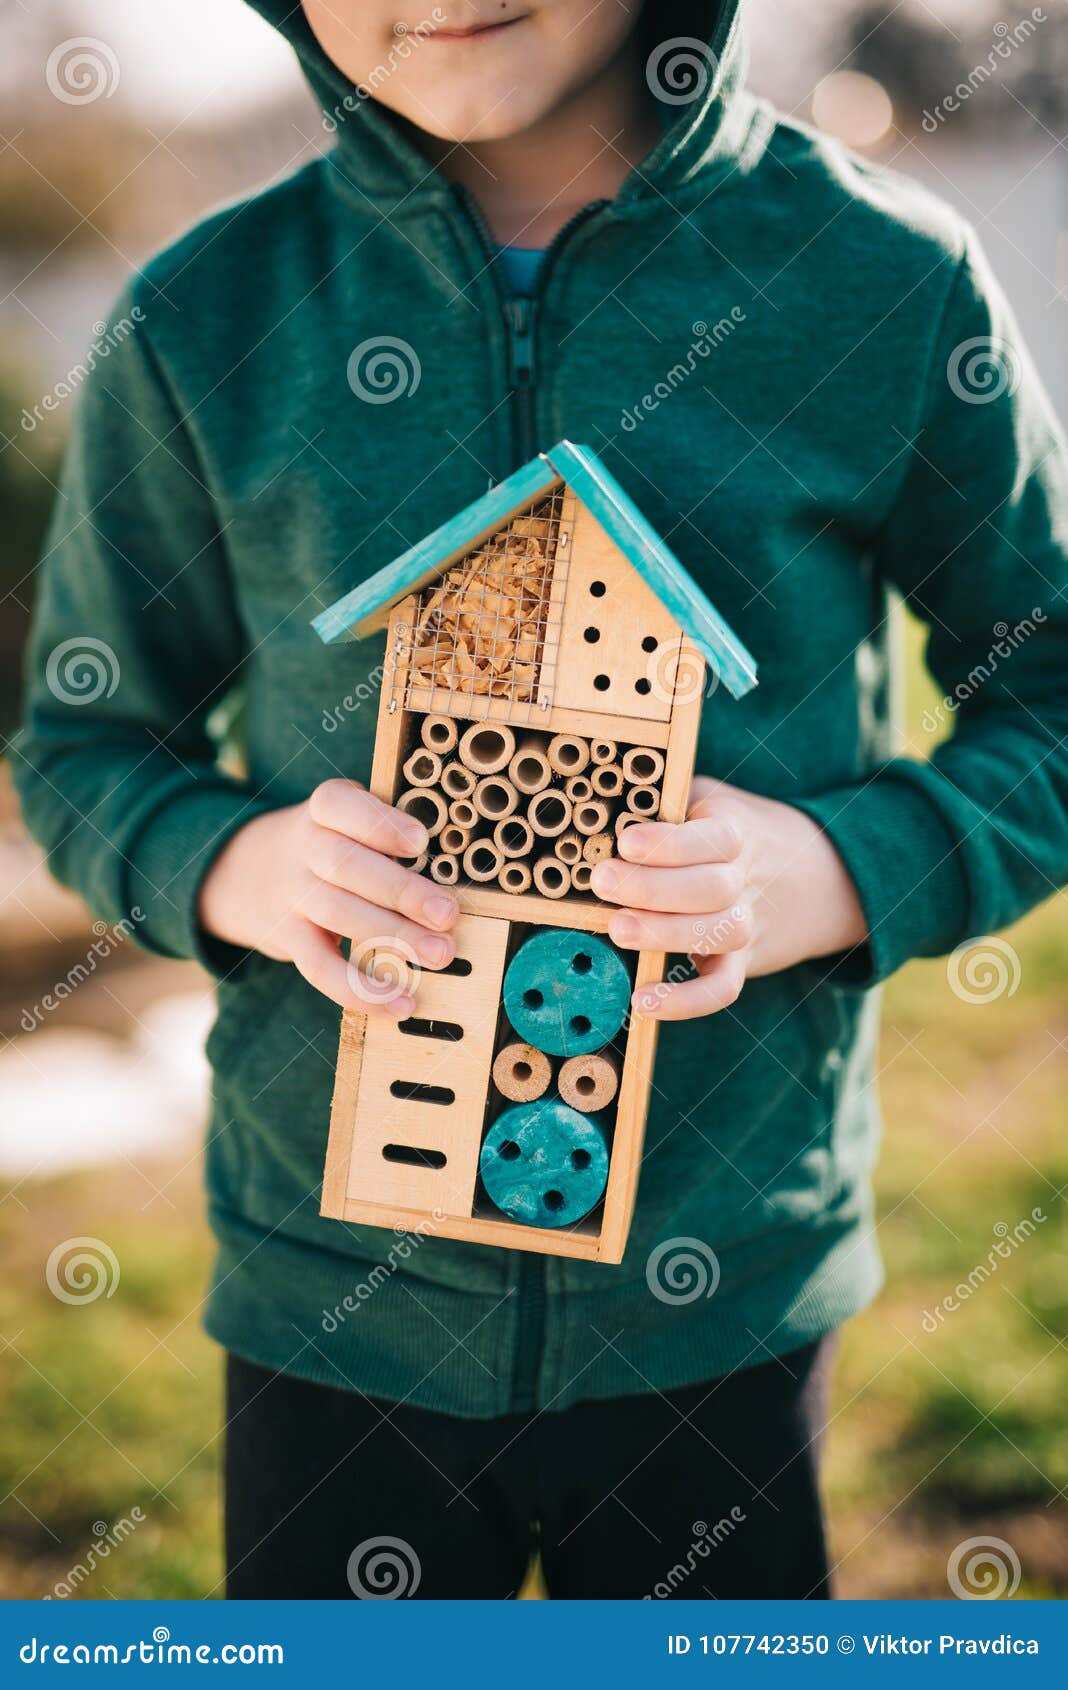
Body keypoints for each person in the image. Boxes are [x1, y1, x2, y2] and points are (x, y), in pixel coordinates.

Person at [14, 0, 1068, 1598]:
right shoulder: (203, 316)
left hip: (717, 1303)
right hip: (329, 1302)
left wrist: (835, 871)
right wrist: (238, 867)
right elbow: (86, 743)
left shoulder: (884, 282)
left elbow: (1046, 691)